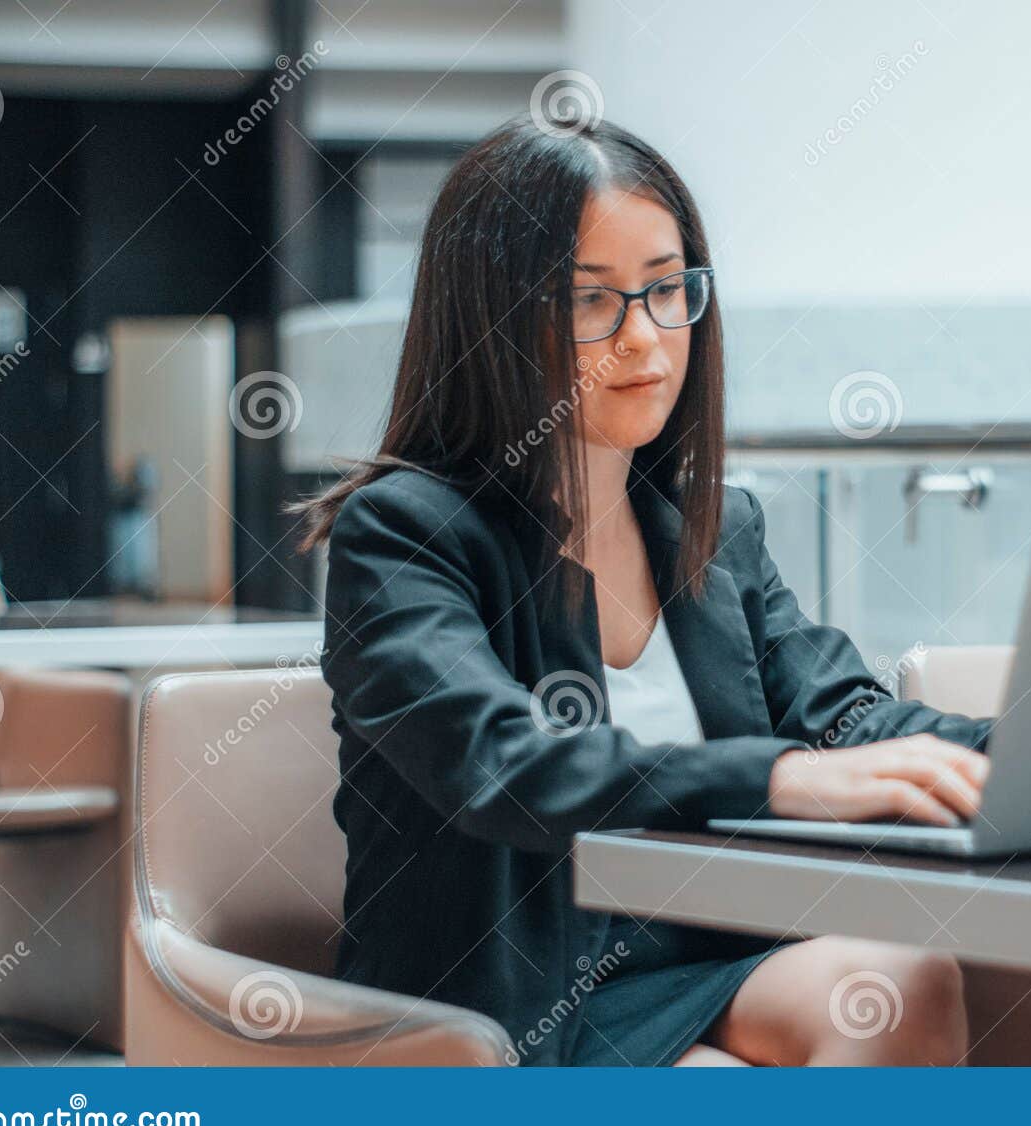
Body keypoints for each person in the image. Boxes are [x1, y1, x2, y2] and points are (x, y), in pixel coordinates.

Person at [293, 113, 993, 1067]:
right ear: (492, 319)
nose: (646, 340)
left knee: (904, 981)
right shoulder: (405, 535)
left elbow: (845, 715)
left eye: (667, 291)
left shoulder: (714, 527)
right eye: (591, 302)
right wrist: (778, 776)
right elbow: (503, 763)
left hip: (703, 965)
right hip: (506, 1007)